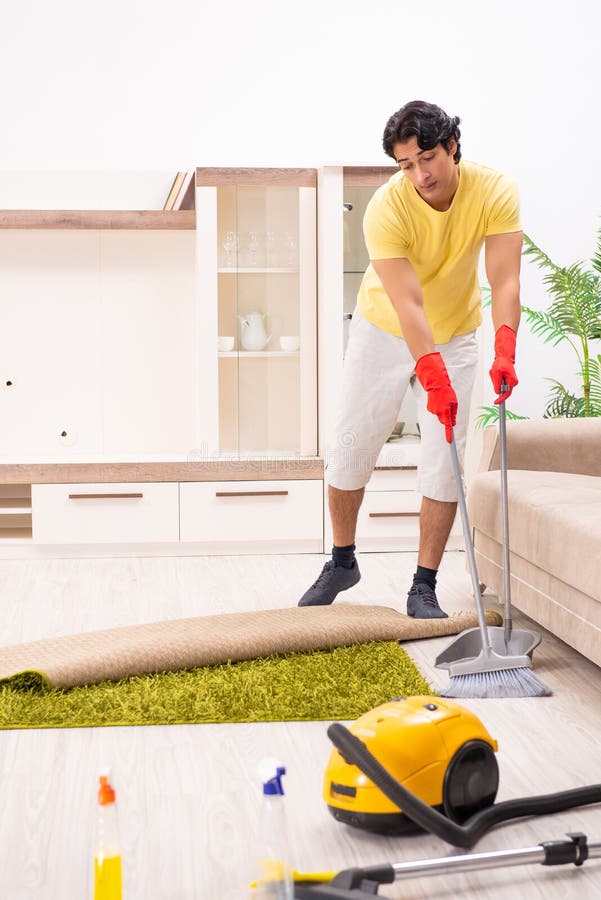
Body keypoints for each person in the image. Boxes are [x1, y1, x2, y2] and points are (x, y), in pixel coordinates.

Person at [299, 99, 522, 617]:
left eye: (427, 158)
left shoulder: (495, 190)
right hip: (383, 327)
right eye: (406, 165)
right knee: (351, 444)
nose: (420, 174)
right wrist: (430, 374)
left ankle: (424, 585)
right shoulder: (386, 207)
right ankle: (342, 560)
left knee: (445, 460)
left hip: (456, 333)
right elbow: (408, 304)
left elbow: (505, 279)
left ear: (452, 146)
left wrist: (506, 345)